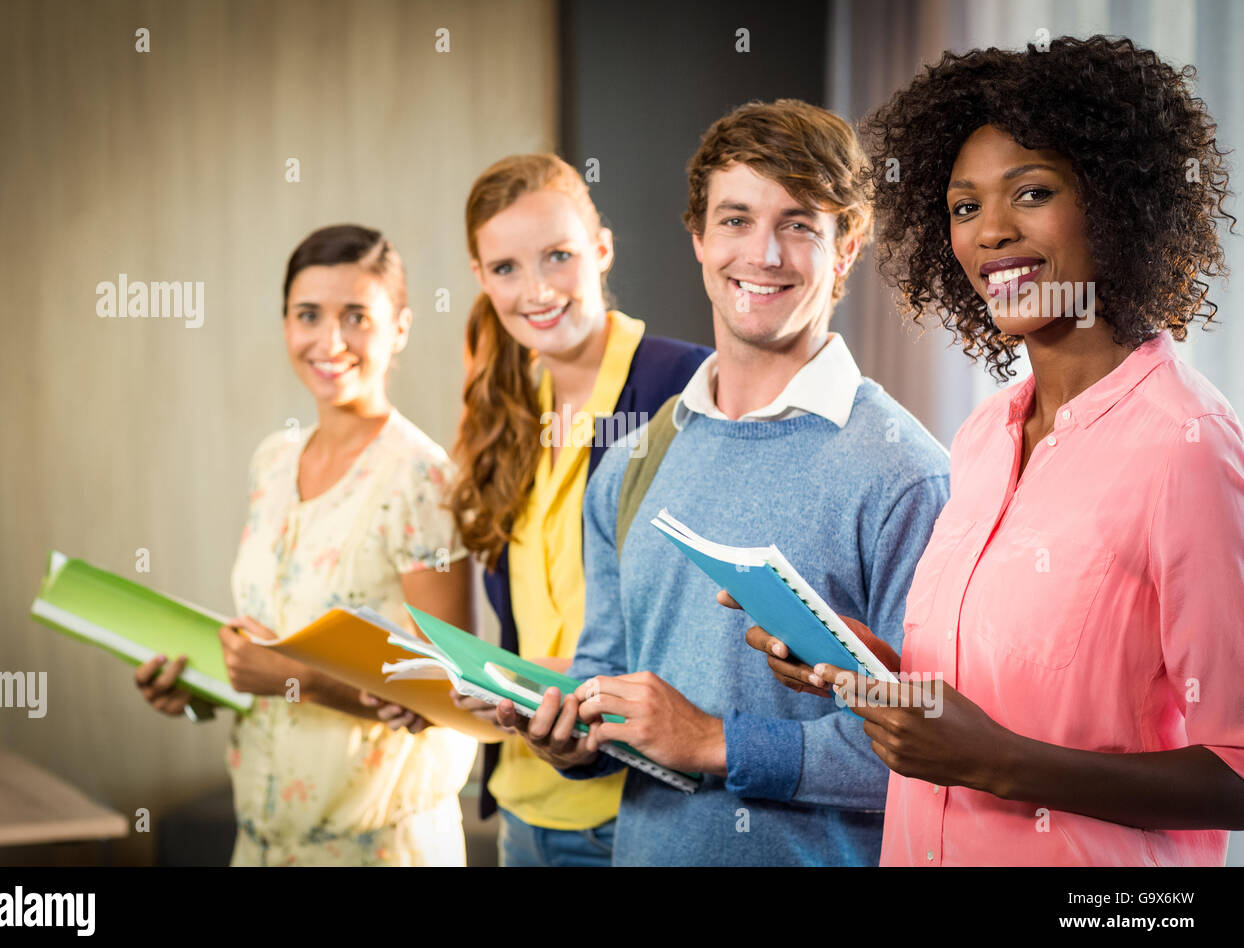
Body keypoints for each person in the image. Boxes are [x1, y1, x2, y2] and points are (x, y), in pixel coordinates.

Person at [744, 36, 1244, 865]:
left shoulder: (1186, 451)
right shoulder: (982, 438)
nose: (991, 233)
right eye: (964, 207)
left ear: (1117, 203)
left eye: (1032, 193)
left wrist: (1001, 766)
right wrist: (868, 666)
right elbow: (1002, 689)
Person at [496, 102, 951, 865]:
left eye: (800, 224)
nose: (763, 253)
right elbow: (607, 680)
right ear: (700, 239)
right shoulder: (636, 460)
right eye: (736, 220)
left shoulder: (907, 473)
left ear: (847, 249)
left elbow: (933, 745)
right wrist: (572, 738)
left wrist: (712, 741)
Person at [135, 224, 478, 866]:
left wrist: (297, 679)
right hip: (264, 845)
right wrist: (201, 691)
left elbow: (452, 693)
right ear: (285, 323)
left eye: (357, 317)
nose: (331, 341)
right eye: (308, 315)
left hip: (378, 849)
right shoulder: (272, 461)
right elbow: (270, 644)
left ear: (400, 327)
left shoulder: (420, 478)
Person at [446, 153, 710, 866]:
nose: (535, 290)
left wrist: (566, 674)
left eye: (558, 256)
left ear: (601, 249)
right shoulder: (506, 412)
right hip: (526, 809)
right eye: (505, 268)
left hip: (637, 809)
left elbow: (712, 615)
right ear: (479, 277)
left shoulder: (683, 385)